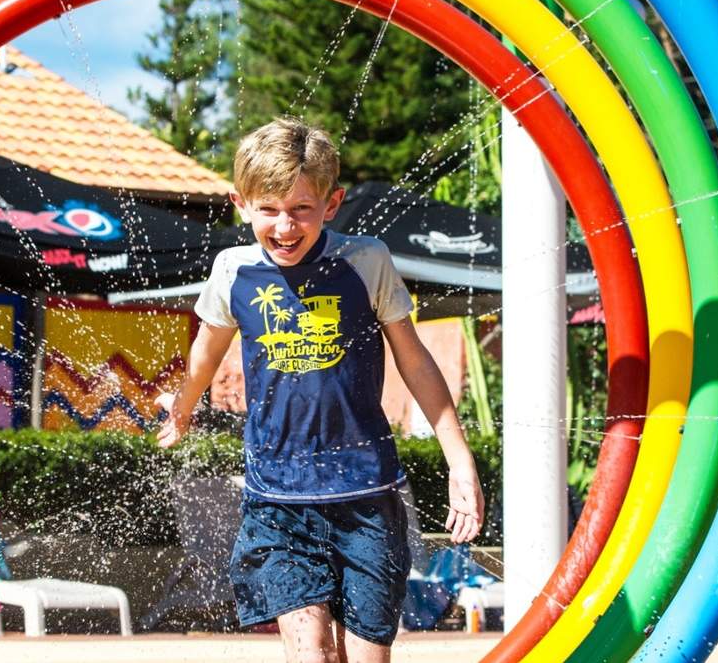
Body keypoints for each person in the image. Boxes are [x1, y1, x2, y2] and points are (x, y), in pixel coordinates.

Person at [157, 117, 484, 662]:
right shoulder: (232, 272)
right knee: (314, 655)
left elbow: (415, 360)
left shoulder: (365, 260)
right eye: (269, 210)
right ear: (241, 203)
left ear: (331, 205)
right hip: (278, 500)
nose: (285, 226)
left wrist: (459, 460)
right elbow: (207, 350)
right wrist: (184, 408)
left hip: (366, 497)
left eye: (301, 210)